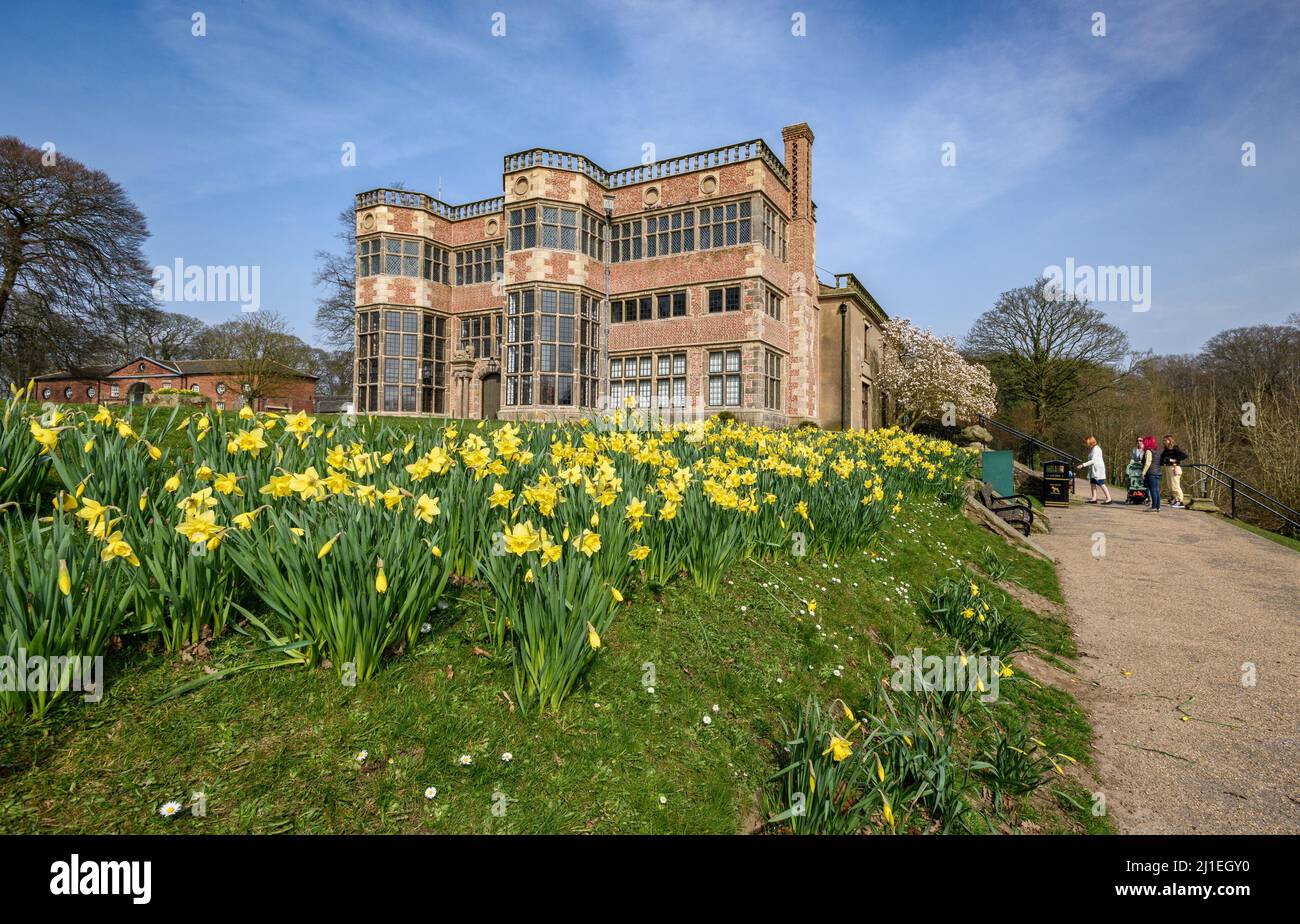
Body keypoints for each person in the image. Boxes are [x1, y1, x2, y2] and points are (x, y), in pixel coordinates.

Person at [1076, 436, 1112, 504]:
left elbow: (1093, 461)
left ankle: (1109, 498)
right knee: (1093, 483)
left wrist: (1083, 465)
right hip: (1094, 470)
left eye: (1088, 442)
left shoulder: (1096, 449)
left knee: (1101, 483)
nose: (1087, 443)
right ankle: (1094, 498)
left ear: (1091, 442)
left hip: (1098, 470)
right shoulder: (1093, 449)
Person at [1160, 434, 1188, 508]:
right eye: (1164, 440)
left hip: (1174, 468)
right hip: (1167, 468)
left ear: (1170, 440)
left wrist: (1174, 460)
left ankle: (1180, 501)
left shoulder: (1175, 448)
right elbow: (1161, 459)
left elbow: (1184, 456)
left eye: (1165, 440)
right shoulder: (1166, 449)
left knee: (1175, 485)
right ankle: (1176, 500)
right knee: (1170, 486)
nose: (1164, 442)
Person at [1140, 435, 1161, 512]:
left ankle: (1154, 507)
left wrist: (1143, 472)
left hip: (1151, 472)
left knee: (1153, 490)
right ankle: (1158, 506)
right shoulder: (1157, 451)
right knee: (1156, 490)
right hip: (1157, 472)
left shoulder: (1148, 451)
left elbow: (1148, 463)